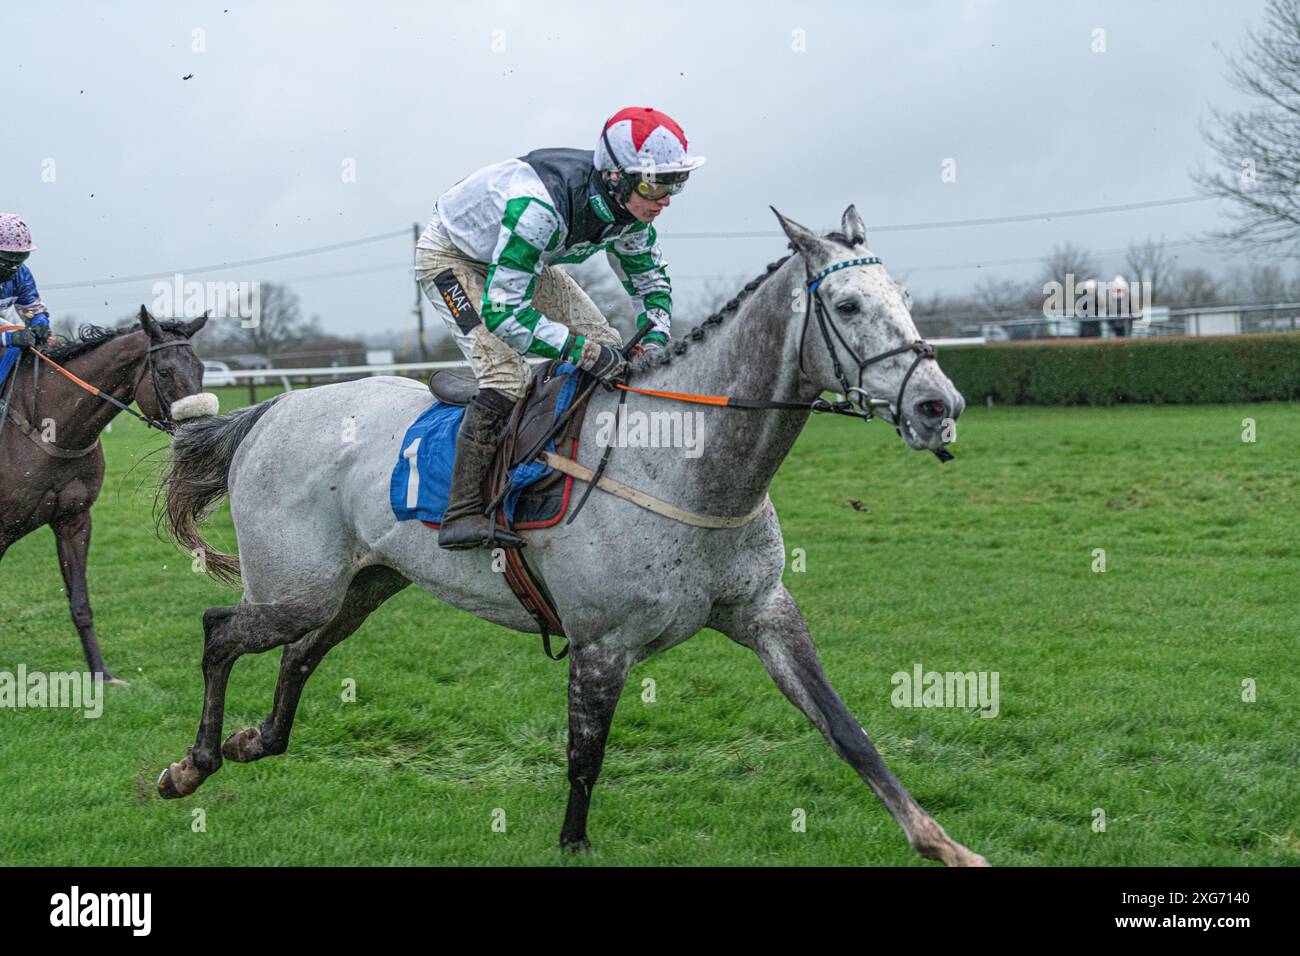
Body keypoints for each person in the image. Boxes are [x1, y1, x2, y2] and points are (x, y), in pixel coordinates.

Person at [416, 106, 705, 550]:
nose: (665, 198)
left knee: (613, 346)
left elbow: (651, 284)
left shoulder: (632, 212)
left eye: (676, 183)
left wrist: (653, 336)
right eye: (655, 184)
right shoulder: (538, 207)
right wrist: (582, 353)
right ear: (615, 177)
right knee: (508, 377)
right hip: (454, 258)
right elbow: (502, 312)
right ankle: (462, 511)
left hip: (524, 261)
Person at [0, 214, 52, 390]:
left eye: (20, 259)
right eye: (7, 260)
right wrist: (8, 338)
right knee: (13, 338)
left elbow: (34, 310)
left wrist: (40, 324)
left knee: (21, 342)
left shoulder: (21, 275)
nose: (15, 268)